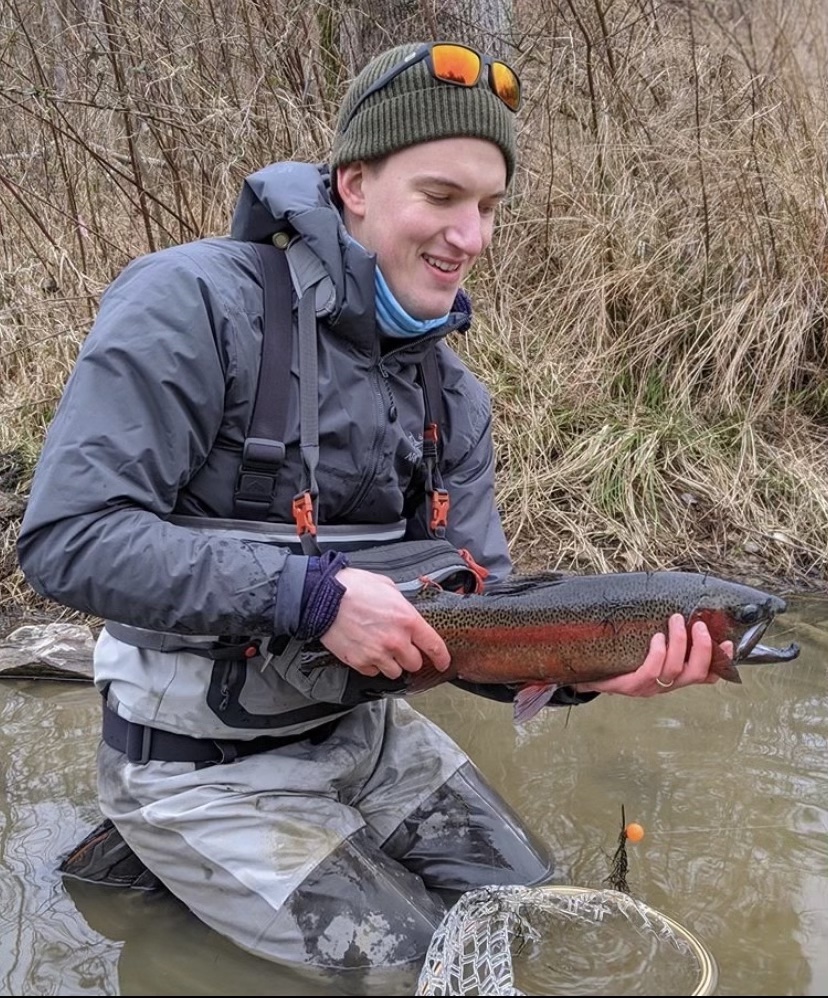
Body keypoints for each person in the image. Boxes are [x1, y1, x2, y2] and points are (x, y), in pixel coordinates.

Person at [17, 40, 726, 989]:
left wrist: (585, 671)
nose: (469, 236)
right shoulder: (193, 303)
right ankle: (153, 846)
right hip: (198, 764)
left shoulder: (454, 395)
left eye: (487, 208)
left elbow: (485, 619)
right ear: (353, 183)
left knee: (521, 925)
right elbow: (68, 540)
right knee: (430, 971)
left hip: (367, 738)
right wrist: (313, 597)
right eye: (441, 197)